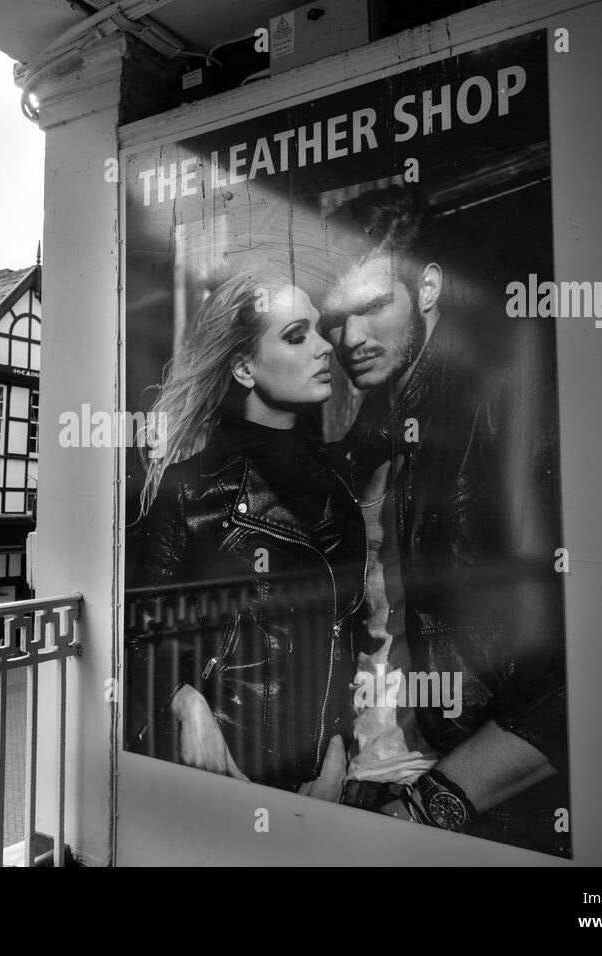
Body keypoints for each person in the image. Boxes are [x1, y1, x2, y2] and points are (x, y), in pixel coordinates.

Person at [320, 186, 568, 854]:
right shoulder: (362, 441)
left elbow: (578, 667)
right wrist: (334, 754)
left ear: (427, 287)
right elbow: (359, 625)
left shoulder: (504, 406)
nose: (352, 338)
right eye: (335, 317)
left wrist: (431, 807)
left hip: (461, 797)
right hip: (358, 787)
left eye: (373, 305)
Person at [128, 271, 366, 795]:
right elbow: (136, 632)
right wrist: (186, 705)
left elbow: (345, 634)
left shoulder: (338, 487)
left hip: (315, 786)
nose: (327, 347)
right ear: (243, 367)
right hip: (222, 778)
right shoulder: (192, 491)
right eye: (297, 335)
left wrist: (336, 746)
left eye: (319, 331)